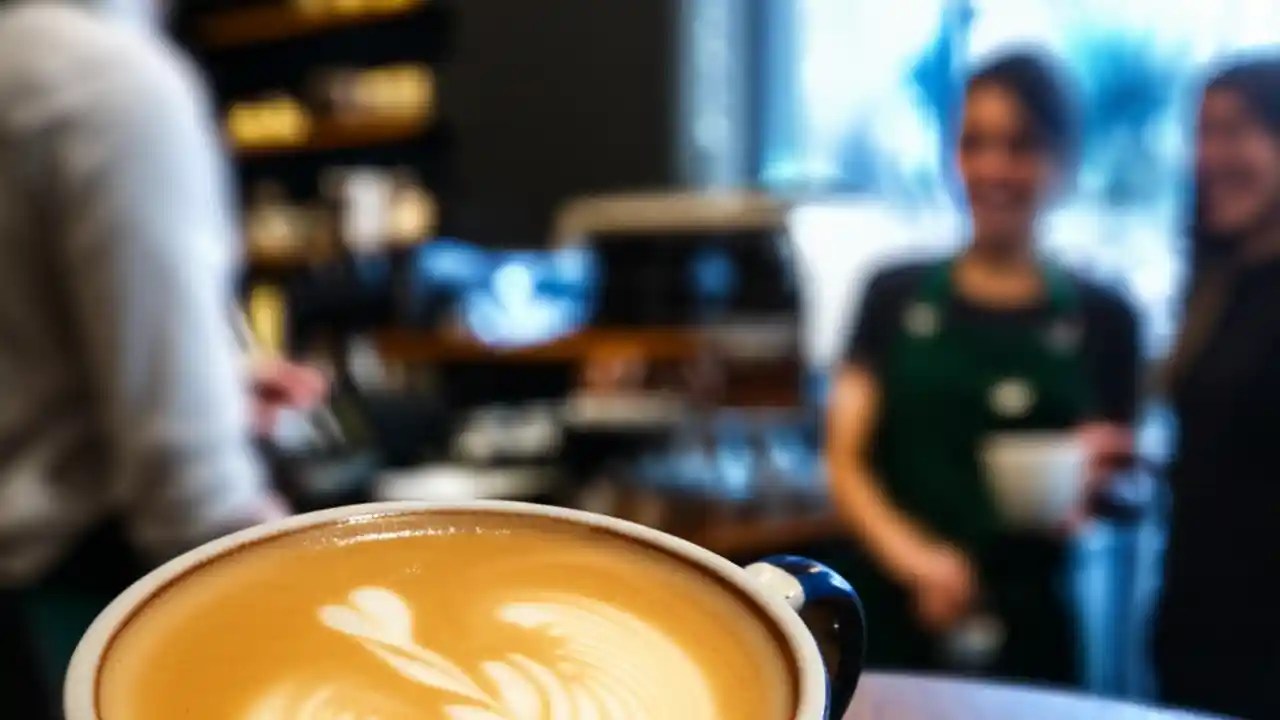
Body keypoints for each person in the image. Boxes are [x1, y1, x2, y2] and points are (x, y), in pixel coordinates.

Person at [0, 0, 323, 714]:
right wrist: (307, 598)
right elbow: (187, 487)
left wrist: (216, 382)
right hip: (69, 598)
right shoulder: (111, 88)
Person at [826, 51, 1138, 684]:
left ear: (1062, 159)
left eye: (1020, 145)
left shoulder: (1106, 317)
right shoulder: (891, 293)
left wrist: (1103, 488)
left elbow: (1117, 481)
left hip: (1034, 627)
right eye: (975, 144)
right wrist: (920, 562)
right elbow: (843, 457)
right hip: (892, 611)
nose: (994, 167)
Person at [1156, 56, 1280, 720]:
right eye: (1202, 134)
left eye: (1236, 132)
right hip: (1197, 620)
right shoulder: (1220, 283)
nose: (1211, 156)